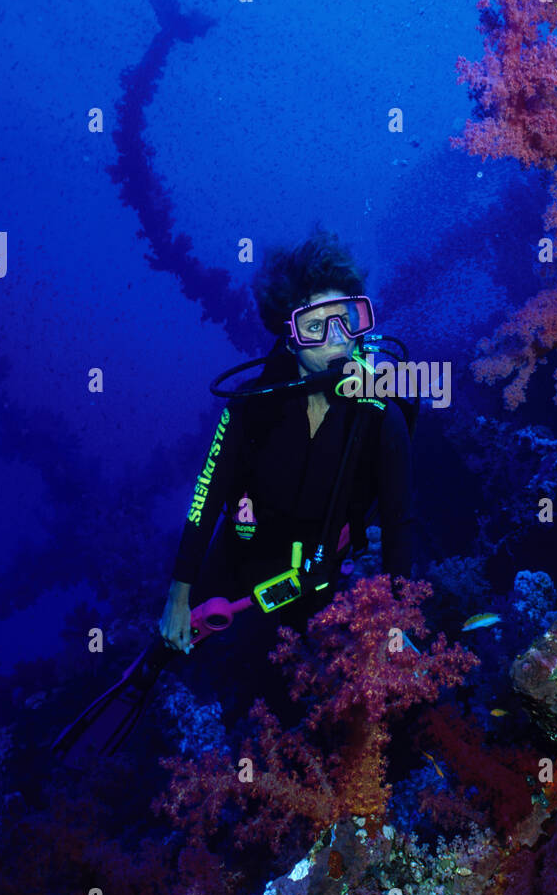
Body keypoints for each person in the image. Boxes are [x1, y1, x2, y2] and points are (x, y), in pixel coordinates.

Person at [158, 228, 413, 715]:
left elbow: (400, 526)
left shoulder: (382, 413)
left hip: (318, 574)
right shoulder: (250, 405)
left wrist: (396, 621)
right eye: (317, 325)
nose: (336, 339)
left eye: (346, 319)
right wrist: (178, 592)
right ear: (288, 334)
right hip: (238, 560)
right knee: (182, 663)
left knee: (294, 699)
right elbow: (206, 496)